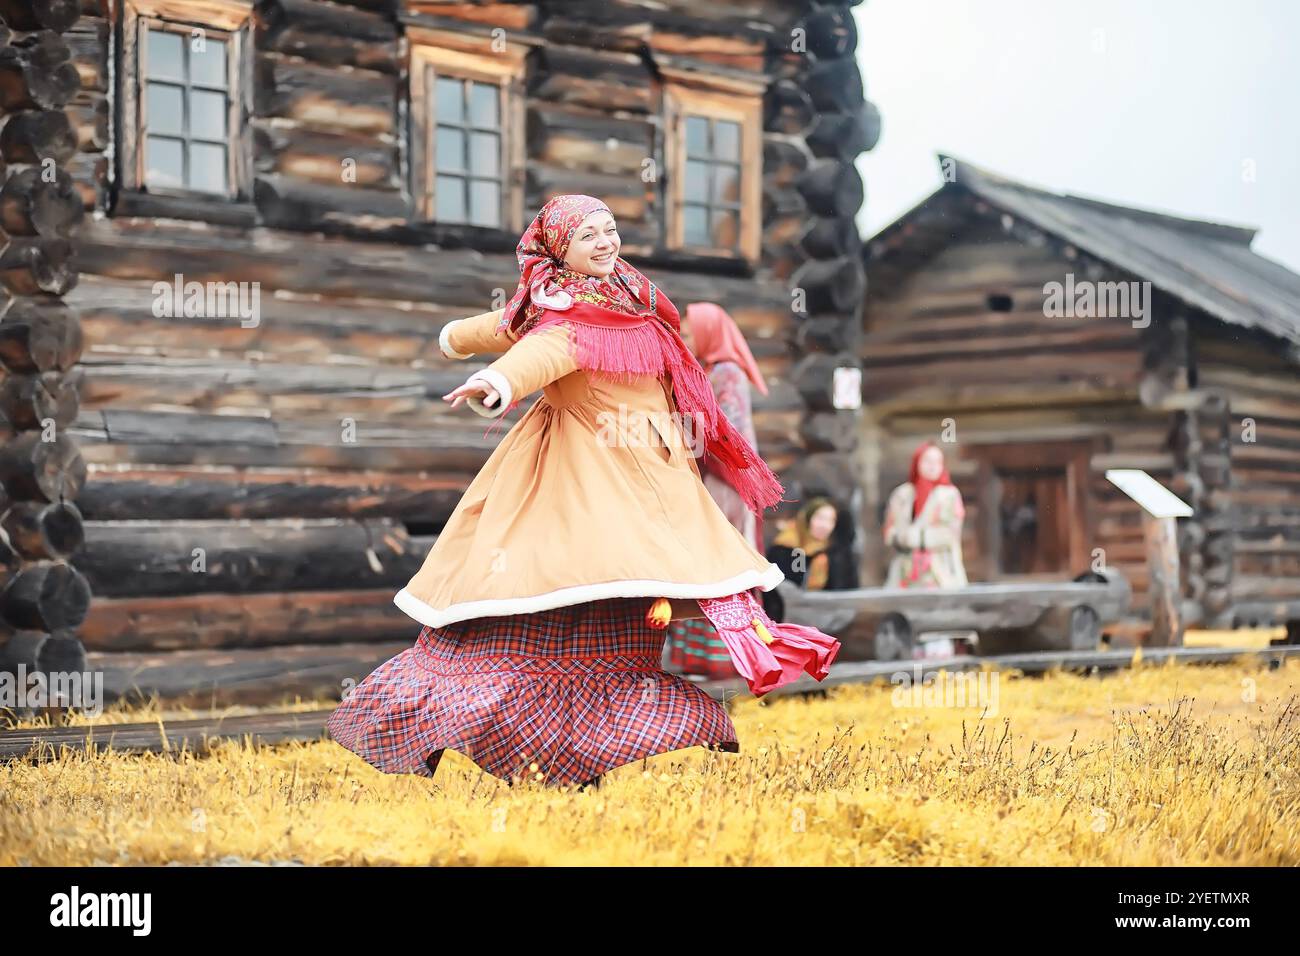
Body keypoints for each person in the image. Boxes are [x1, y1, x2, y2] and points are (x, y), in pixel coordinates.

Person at [326, 194, 839, 791]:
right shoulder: (561, 312)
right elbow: (534, 346)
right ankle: (531, 743)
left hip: (650, 477)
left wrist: (461, 340)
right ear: (560, 250)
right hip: (580, 479)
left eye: (611, 230)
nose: (606, 242)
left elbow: (510, 324)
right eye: (588, 235)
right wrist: (492, 376)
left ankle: (583, 755)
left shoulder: (636, 301)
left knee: (623, 612)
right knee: (559, 598)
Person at [666, 302, 768, 680]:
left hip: (726, 485)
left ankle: (730, 659)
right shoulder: (708, 369)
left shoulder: (727, 372)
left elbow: (727, 431)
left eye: (692, 334)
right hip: (709, 480)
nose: (686, 340)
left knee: (722, 567)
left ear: (710, 333)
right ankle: (701, 658)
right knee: (703, 566)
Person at [882, 441, 969, 588]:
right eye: (927, 461)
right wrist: (901, 538)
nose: (932, 466)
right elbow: (889, 531)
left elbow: (951, 533)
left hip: (940, 572)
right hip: (906, 571)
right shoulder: (902, 494)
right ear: (918, 463)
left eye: (937, 461)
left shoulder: (949, 495)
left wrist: (919, 538)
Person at [761, 496, 857, 621]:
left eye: (831, 520)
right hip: (789, 621)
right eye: (820, 518)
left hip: (831, 621)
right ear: (807, 519)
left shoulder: (836, 553)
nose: (825, 525)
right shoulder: (788, 549)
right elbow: (788, 587)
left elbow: (847, 592)